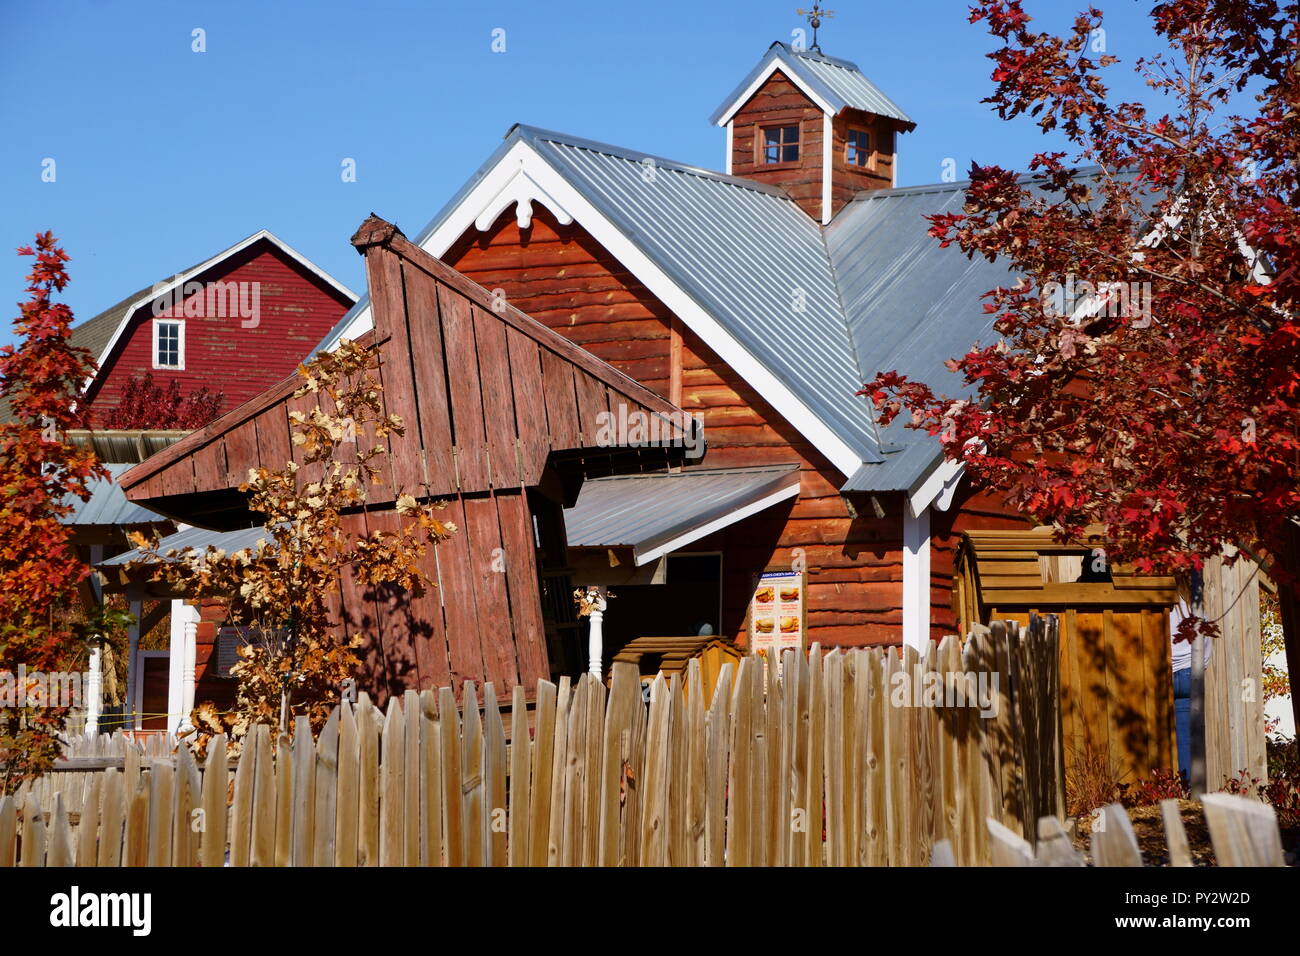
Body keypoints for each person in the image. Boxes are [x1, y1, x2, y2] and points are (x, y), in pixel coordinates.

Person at [1169, 571, 1211, 780]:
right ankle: (1186, 788)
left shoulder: (1162, 607)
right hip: (1189, 676)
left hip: (1165, 673)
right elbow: (1206, 646)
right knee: (1186, 740)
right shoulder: (1195, 609)